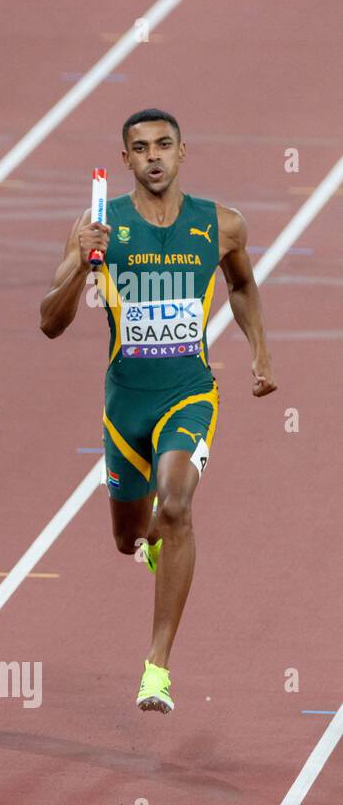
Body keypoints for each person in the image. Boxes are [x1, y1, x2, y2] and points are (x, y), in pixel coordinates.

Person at [39, 108, 276, 714]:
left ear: (182, 152)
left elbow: (242, 286)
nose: (153, 156)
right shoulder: (98, 226)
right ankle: (149, 543)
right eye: (140, 148)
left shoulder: (221, 224)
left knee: (176, 504)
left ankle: (156, 668)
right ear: (124, 161)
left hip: (189, 393)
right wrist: (82, 267)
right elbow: (49, 322)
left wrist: (259, 355)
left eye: (163, 145)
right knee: (128, 537)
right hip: (125, 406)